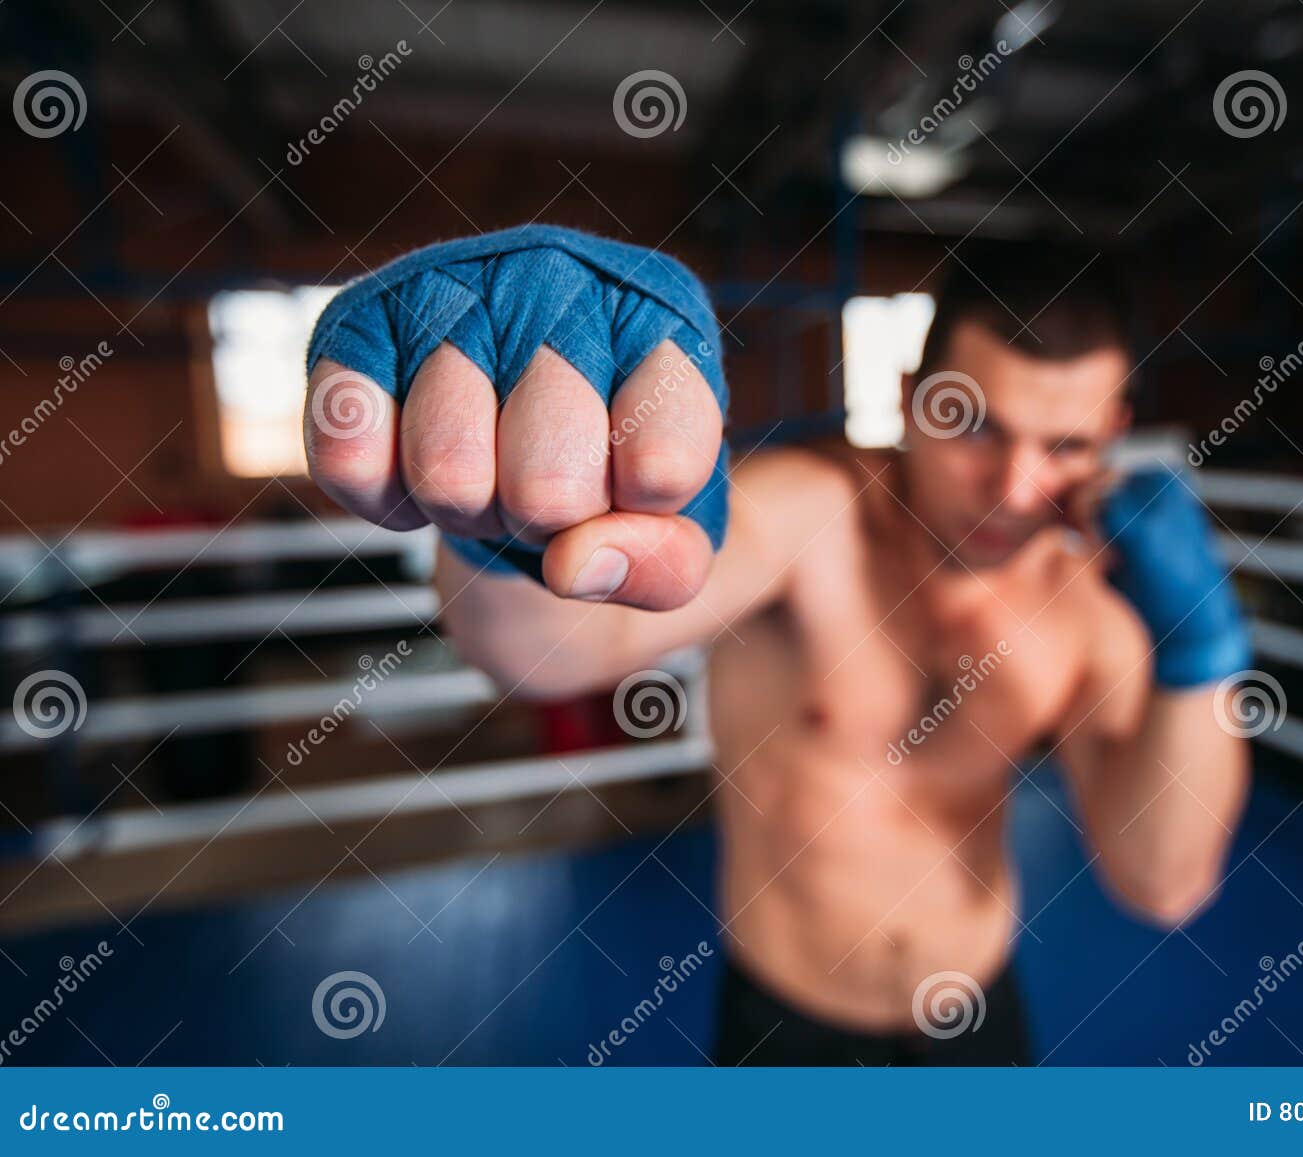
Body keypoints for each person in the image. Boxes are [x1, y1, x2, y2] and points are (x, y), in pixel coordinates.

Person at [303, 226, 1252, 1066]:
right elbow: (542, 653)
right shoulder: (815, 513)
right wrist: (504, 529)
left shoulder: (1091, 600)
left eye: (1066, 447)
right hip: (789, 1029)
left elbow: (1161, 880)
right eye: (976, 426)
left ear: (1117, 436)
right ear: (915, 396)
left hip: (976, 1017)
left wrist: (1202, 652)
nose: (1014, 487)